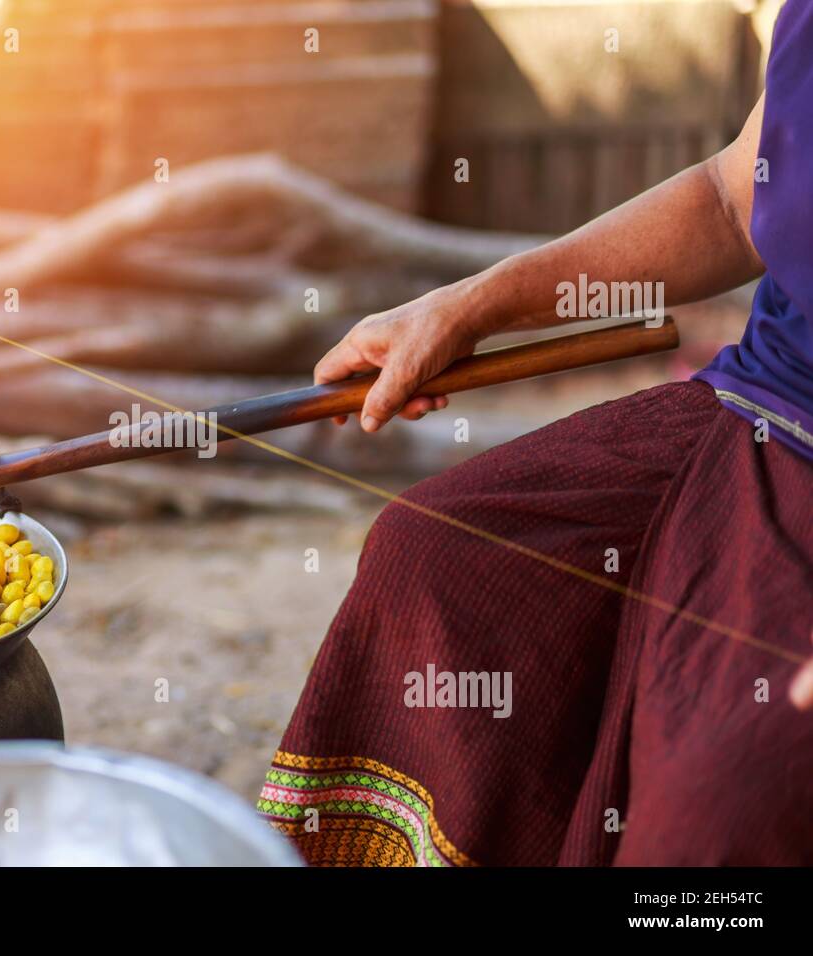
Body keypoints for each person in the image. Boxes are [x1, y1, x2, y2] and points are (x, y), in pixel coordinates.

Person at [259, 3, 813, 866]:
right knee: (432, 559)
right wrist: (470, 306)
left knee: (718, 807)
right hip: (764, 402)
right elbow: (732, 197)